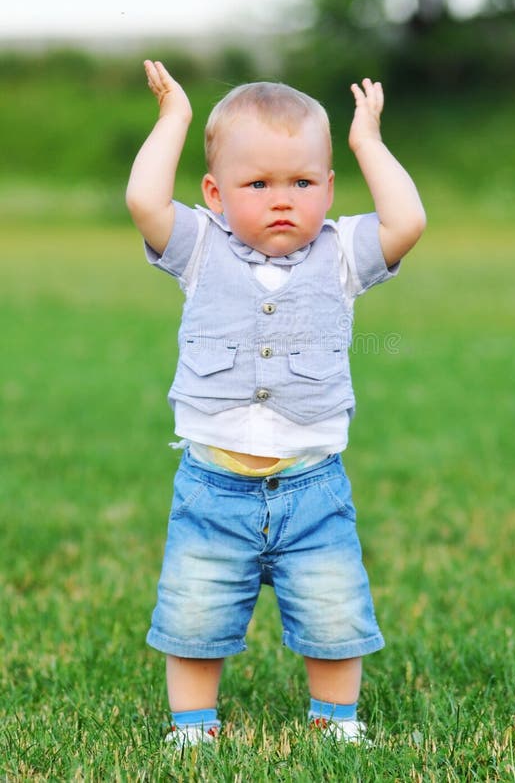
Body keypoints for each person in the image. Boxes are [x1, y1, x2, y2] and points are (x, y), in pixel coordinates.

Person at [126, 61, 426, 747]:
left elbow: (407, 220)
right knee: (195, 612)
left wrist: (368, 142)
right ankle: (192, 728)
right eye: (257, 184)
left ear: (328, 188)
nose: (282, 199)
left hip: (312, 487)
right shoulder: (201, 247)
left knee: (333, 608)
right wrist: (174, 119)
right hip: (212, 487)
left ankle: (336, 721)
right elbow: (144, 201)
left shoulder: (341, 254)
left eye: (302, 182)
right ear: (215, 193)